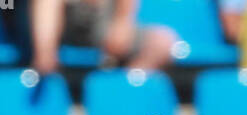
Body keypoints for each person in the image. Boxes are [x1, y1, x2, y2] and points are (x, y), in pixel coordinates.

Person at [29, 0, 176, 73]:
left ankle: (121, 92)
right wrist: (45, 50)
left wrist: (122, 22)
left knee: (162, 42)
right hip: (65, 26)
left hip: (104, 25)